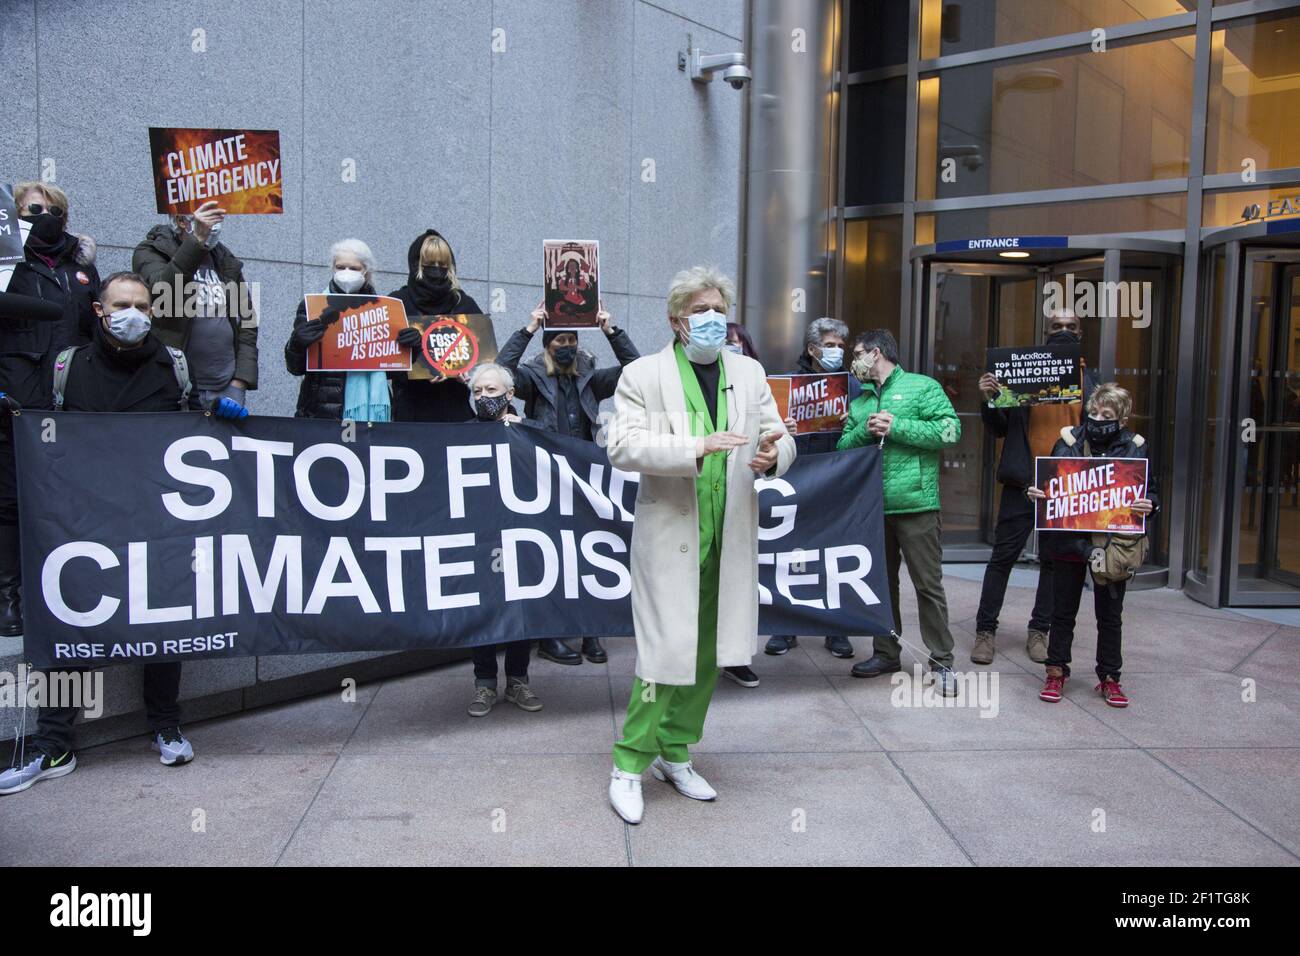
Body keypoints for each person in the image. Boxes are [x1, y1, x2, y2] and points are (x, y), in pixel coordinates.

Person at [0, 272, 247, 796]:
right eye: (120, 304)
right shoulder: (67, 367)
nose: (131, 313)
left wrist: (221, 417)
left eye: (140, 304)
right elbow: (44, 427)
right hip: (80, 524)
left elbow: (190, 432)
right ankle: (55, 742)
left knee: (164, 616)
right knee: (67, 623)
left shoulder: (172, 367)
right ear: (98, 310)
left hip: (153, 522)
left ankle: (165, 722)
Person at [604, 265, 796, 824]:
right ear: (676, 320)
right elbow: (623, 444)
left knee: (710, 654)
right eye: (700, 311)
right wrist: (697, 445)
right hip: (671, 535)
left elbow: (779, 435)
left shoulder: (749, 371)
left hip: (729, 534)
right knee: (663, 655)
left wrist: (771, 457)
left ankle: (676, 750)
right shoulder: (643, 374)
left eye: (719, 309)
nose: (712, 319)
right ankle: (628, 763)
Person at [497, 300, 640, 665]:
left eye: (571, 341)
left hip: (585, 477)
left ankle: (591, 633)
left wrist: (611, 330)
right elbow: (500, 372)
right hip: (544, 476)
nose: (567, 347)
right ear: (547, 346)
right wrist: (529, 327)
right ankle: (551, 637)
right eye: (559, 341)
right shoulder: (531, 378)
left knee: (588, 552)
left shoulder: (591, 378)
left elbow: (636, 371)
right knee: (551, 553)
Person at [0, 182, 101, 637]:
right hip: (16, 399)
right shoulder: (7, 265)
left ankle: (60, 591)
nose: (43, 215)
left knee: (61, 502)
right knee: (9, 502)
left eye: (52, 209)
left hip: (68, 402)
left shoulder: (79, 271)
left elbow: (93, 332)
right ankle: (8, 596)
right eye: (32, 209)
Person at [838, 329, 962, 696]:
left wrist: (897, 426)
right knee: (881, 586)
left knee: (927, 585)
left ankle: (942, 661)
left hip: (917, 504)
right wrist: (864, 428)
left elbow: (950, 430)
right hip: (873, 507)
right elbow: (843, 445)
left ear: (875, 353)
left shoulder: (922, 387)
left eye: (857, 353)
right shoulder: (860, 400)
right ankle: (886, 652)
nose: (853, 361)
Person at [972, 309, 1098, 666]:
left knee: (1054, 563)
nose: (1063, 331)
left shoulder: (1093, 380)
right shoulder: (1023, 370)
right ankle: (985, 631)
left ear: (1080, 334)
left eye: (1070, 327)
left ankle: (1039, 631)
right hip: (1023, 479)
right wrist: (987, 398)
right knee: (1002, 558)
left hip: (1066, 485)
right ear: (1045, 333)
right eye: (1056, 327)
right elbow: (998, 427)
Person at [1026, 383, 1154, 708]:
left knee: (1110, 616)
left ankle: (1110, 678)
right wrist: (1039, 495)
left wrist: (1150, 504)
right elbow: (1050, 486)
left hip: (1112, 545)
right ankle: (1056, 672)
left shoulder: (1134, 448)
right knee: (1062, 612)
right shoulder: (1067, 442)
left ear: (1122, 419)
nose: (1098, 419)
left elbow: (1149, 492)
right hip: (1069, 540)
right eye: (1094, 413)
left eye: (1107, 415)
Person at [764, 317, 862, 665]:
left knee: (834, 552)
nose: (836, 351)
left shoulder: (853, 384)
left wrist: (857, 417)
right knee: (791, 551)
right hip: (798, 476)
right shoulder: (788, 385)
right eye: (830, 344)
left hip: (836, 475)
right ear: (812, 348)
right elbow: (767, 428)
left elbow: (865, 426)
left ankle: (836, 628)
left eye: (840, 346)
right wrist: (783, 427)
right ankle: (785, 627)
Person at [462, 362, 546, 717]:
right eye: (478, 391)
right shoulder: (460, 433)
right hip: (479, 537)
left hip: (520, 534)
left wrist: (525, 432)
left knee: (519, 606)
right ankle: (484, 684)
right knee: (482, 607)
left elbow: (560, 454)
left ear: (510, 395)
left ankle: (517, 681)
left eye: (491, 391)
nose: (484, 397)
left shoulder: (530, 430)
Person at [132, 199, 259, 411]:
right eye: (207, 214)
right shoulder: (151, 251)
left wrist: (240, 382)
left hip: (225, 386)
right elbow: (165, 295)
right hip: (174, 384)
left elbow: (248, 320)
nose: (216, 221)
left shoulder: (225, 258)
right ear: (182, 220)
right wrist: (197, 240)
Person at [285, 238, 396, 421]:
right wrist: (296, 344)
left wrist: (409, 350)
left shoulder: (384, 311)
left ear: (366, 272)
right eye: (340, 267)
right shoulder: (312, 306)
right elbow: (295, 368)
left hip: (369, 414)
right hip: (321, 411)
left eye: (354, 268)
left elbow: (392, 371)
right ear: (332, 268)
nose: (346, 272)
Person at [388, 229, 484, 422]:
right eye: (429, 264)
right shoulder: (397, 304)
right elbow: (383, 366)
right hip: (411, 412)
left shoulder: (464, 304)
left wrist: (462, 374)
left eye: (442, 264)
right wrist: (411, 354)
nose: (436, 269)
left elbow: (484, 363)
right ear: (416, 264)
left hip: (454, 411)